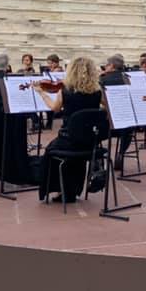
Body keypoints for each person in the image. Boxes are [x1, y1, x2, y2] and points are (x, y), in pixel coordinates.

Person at [35, 57, 105, 203]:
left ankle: (60, 189)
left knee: (50, 152)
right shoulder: (98, 92)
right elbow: (107, 108)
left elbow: (54, 108)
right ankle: (72, 190)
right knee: (77, 155)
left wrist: (41, 92)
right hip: (90, 141)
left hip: (68, 139)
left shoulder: (65, 91)